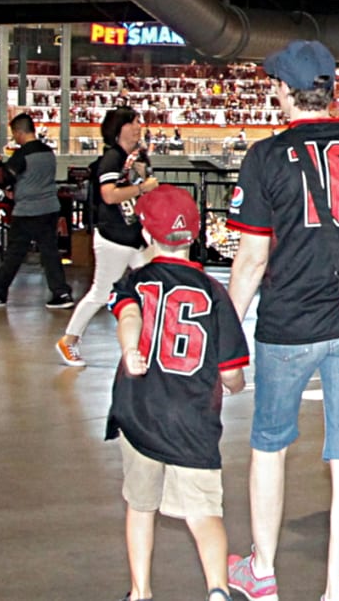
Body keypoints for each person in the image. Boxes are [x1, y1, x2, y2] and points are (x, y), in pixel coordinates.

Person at [224, 40, 339, 601]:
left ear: (284, 90)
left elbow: (253, 258)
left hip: (287, 321)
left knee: (269, 444)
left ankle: (262, 571)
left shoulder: (265, 156)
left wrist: (228, 330)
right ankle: (337, 592)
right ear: (330, 89)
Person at [106, 186, 248, 601]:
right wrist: (233, 386)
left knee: (141, 504)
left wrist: (132, 350)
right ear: (196, 233)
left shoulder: (135, 280)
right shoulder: (213, 292)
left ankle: (140, 591)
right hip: (193, 420)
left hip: (140, 412)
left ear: (147, 235)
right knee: (204, 512)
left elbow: (128, 313)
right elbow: (233, 373)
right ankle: (218, 589)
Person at [57, 106, 157, 367]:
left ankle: (153, 343)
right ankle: (69, 340)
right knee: (100, 294)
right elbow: (109, 195)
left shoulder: (133, 158)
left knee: (154, 286)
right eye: (133, 122)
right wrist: (141, 187)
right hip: (114, 239)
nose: (138, 127)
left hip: (134, 237)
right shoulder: (112, 159)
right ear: (120, 128)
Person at [0, 114, 70, 308]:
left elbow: (4, 178)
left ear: (19, 132)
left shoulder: (22, 155)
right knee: (49, 253)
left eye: (14, 134)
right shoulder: (48, 152)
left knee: (15, 253)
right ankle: (62, 293)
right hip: (49, 208)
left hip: (26, 211)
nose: (14, 138)